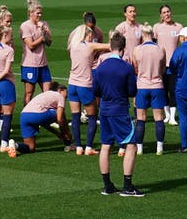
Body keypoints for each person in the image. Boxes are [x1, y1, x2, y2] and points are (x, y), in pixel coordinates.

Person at [93, 32, 144, 197]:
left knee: (106, 145)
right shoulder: (126, 68)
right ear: (122, 49)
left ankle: (107, 185)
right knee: (131, 145)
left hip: (105, 110)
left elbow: (95, 91)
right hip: (120, 110)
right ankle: (127, 185)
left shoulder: (100, 67)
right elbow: (132, 91)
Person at [67, 24, 109, 155]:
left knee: (75, 117)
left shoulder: (73, 46)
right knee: (92, 116)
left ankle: (78, 146)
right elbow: (109, 46)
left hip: (72, 84)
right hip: (85, 85)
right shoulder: (90, 46)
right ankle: (89, 147)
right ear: (88, 34)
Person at [132, 23, 167, 155]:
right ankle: (160, 147)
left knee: (141, 118)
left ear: (142, 35)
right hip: (157, 85)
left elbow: (135, 68)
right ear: (153, 35)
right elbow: (163, 68)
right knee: (159, 117)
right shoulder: (160, 49)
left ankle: (140, 148)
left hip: (142, 86)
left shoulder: (137, 50)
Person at [12, 81, 72, 156]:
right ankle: (68, 143)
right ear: (60, 90)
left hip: (24, 116)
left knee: (31, 148)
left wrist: (57, 133)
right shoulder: (59, 96)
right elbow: (60, 119)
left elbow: (42, 122)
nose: (67, 96)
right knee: (61, 113)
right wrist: (65, 133)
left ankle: (15, 145)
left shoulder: (44, 95)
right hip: (37, 115)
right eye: (66, 92)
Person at [153, 4, 184, 125]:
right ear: (161, 15)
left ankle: (172, 117)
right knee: (163, 90)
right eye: (164, 12)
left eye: (168, 12)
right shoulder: (157, 27)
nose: (167, 14)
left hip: (174, 64)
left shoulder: (178, 27)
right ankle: (167, 115)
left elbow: (183, 44)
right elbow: (154, 44)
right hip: (161, 64)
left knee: (173, 90)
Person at [20, 0, 53, 105]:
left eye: (41, 13)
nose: (40, 15)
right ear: (30, 13)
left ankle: (47, 117)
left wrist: (45, 32)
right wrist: (42, 37)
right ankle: (26, 115)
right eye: (37, 13)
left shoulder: (43, 24)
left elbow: (49, 43)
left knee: (47, 92)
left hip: (43, 64)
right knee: (29, 92)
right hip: (30, 64)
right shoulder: (25, 26)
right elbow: (31, 46)